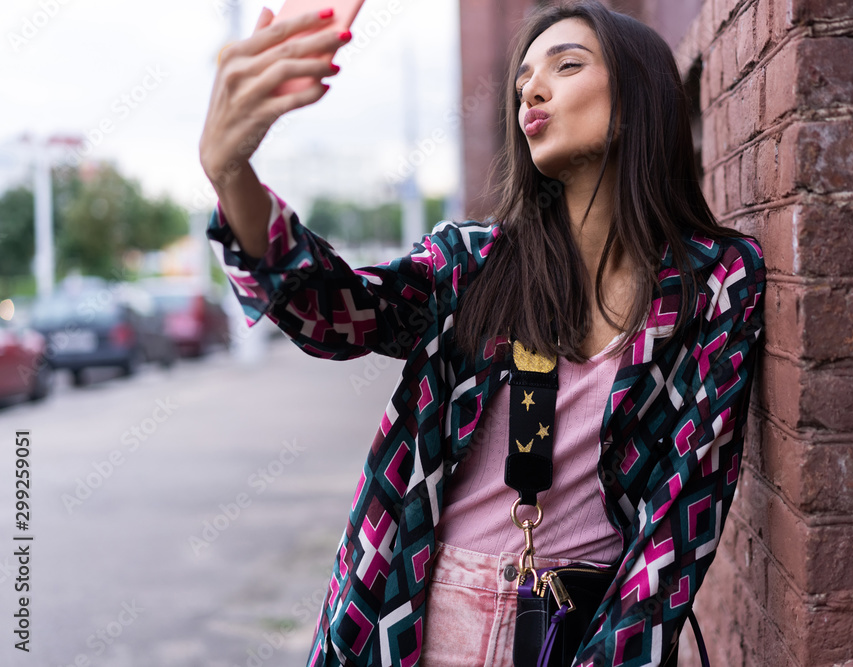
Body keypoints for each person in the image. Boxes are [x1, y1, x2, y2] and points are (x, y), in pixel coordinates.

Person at [199, 1, 766, 665]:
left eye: (567, 64)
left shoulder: (717, 282)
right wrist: (233, 174)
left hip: (577, 627)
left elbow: (681, 520)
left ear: (640, 95)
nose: (532, 87)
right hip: (410, 613)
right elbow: (336, 312)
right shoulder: (476, 261)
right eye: (523, 76)